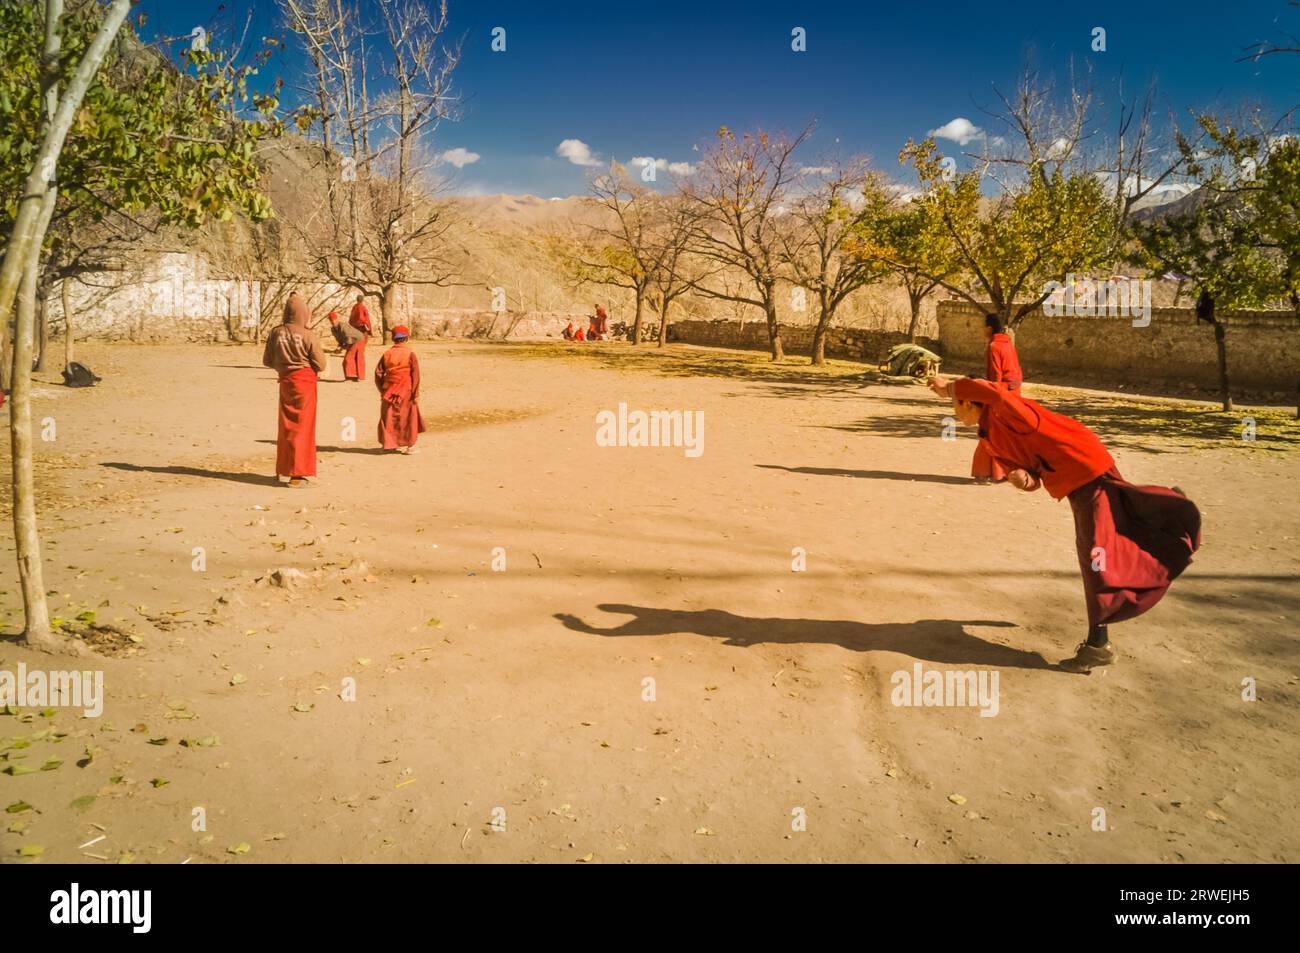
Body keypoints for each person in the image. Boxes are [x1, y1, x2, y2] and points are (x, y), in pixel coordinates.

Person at [927, 373, 1201, 674]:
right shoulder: (989, 437)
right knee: (1111, 534)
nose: (952, 410)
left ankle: (1098, 645)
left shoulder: (1008, 412)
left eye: (954, 403)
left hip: (1084, 465)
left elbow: (998, 393)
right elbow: (1030, 477)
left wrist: (950, 385)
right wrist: (1024, 480)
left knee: (1096, 553)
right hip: (1074, 477)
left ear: (967, 402)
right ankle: (1170, 508)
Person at [263, 292, 327, 487]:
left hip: (286, 384)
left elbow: (267, 361)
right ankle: (297, 475)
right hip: (305, 385)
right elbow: (321, 364)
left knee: (286, 427)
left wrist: (284, 366)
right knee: (303, 428)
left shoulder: (276, 332)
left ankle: (283, 469)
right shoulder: (308, 335)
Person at [971, 314, 1024, 484]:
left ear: (989, 328)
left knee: (989, 431)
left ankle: (986, 472)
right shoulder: (1008, 343)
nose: (982, 330)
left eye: (983, 326)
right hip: (1014, 392)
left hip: (1000, 394)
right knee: (1005, 433)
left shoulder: (994, 346)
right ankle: (1002, 472)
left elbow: (996, 375)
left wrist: (990, 395)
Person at [374, 325, 425, 454]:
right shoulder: (410, 353)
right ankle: (410, 446)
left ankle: (389, 444)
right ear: (406, 338)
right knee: (408, 417)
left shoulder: (387, 354)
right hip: (406, 390)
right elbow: (415, 375)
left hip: (389, 389)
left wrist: (383, 390)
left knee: (389, 417)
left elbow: (378, 373)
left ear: (393, 339)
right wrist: (415, 392)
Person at [327, 310, 366, 381]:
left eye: (334, 320)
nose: (333, 322)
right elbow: (340, 340)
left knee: (350, 358)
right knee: (349, 358)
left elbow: (348, 338)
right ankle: (352, 377)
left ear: (337, 319)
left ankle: (355, 377)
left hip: (358, 339)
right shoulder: (333, 329)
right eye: (331, 321)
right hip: (351, 341)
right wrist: (339, 347)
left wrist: (342, 348)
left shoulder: (343, 326)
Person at [347, 293, 374, 378]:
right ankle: (360, 375)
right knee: (360, 352)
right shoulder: (362, 308)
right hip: (361, 330)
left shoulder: (354, 307)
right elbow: (364, 319)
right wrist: (369, 329)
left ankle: (353, 373)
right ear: (362, 300)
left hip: (354, 330)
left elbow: (350, 319)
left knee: (354, 351)